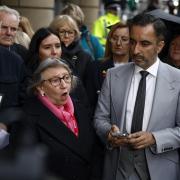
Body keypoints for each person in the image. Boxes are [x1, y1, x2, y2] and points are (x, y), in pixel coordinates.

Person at [94, 13, 180, 180]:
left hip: (160, 170)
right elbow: (99, 119)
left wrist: (154, 138)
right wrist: (109, 134)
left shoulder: (177, 79)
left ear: (160, 46)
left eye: (144, 44)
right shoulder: (113, 75)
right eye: (132, 42)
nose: (135, 50)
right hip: (118, 167)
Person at [11, 58, 94, 180]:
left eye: (66, 77)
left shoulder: (80, 107)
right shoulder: (27, 118)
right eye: (55, 81)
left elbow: (94, 151)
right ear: (41, 88)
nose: (64, 85)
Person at [86, 22, 130, 109]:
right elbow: (89, 104)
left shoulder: (137, 68)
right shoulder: (94, 67)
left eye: (124, 39)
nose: (118, 43)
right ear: (109, 40)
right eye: (114, 38)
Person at [49, 15, 93, 87]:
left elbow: (89, 86)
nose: (66, 36)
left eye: (70, 32)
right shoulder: (50, 53)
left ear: (76, 34)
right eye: (62, 32)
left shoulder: (85, 57)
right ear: (54, 32)